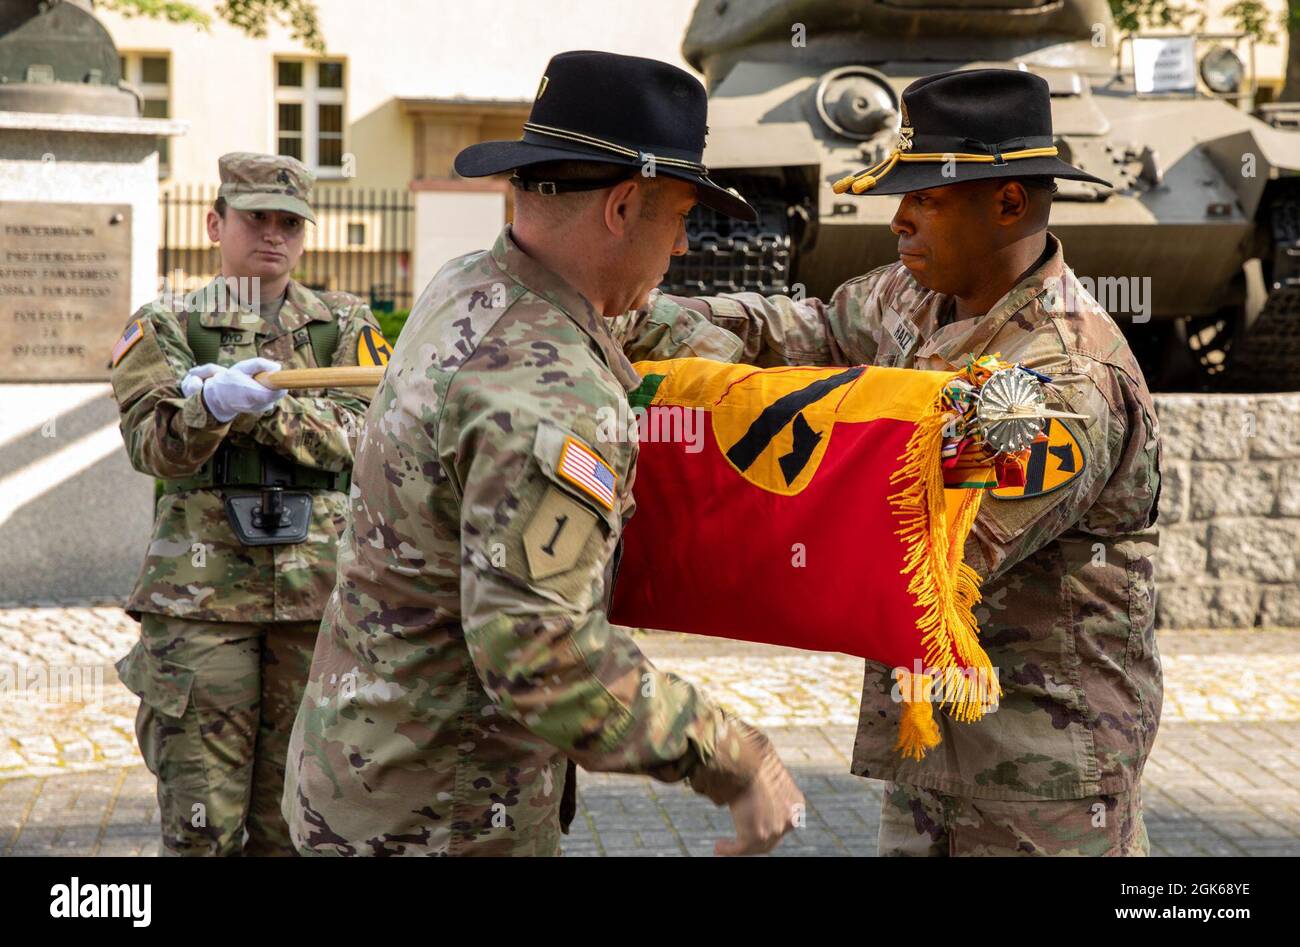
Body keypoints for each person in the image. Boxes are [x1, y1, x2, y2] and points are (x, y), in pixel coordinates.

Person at [282, 51, 804, 857]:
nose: (683, 243)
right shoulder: (552, 396)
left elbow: (623, 321)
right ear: (624, 205)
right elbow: (542, 655)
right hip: (441, 819)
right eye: (681, 218)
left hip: (360, 780)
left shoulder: (468, 287)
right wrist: (735, 756)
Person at [629, 69, 1164, 855]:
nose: (898, 218)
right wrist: (636, 314)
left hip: (1044, 780)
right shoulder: (915, 299)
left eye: (926, 197)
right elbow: (798, 332)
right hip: (931, 762)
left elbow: (915, 540)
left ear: (1008, 201)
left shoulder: (1068, 380)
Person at [109, 152, 388, 855]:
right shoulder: (167, 323)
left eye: (289, 222)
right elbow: (155, 447)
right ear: (214, 223)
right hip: (200, 607)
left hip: (319, 603)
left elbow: (369, 440)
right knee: (201, 824)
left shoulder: (345, 323)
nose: (273, 234)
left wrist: (258, 411)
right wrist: (207, 409)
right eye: (256, 217)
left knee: (299, 827)